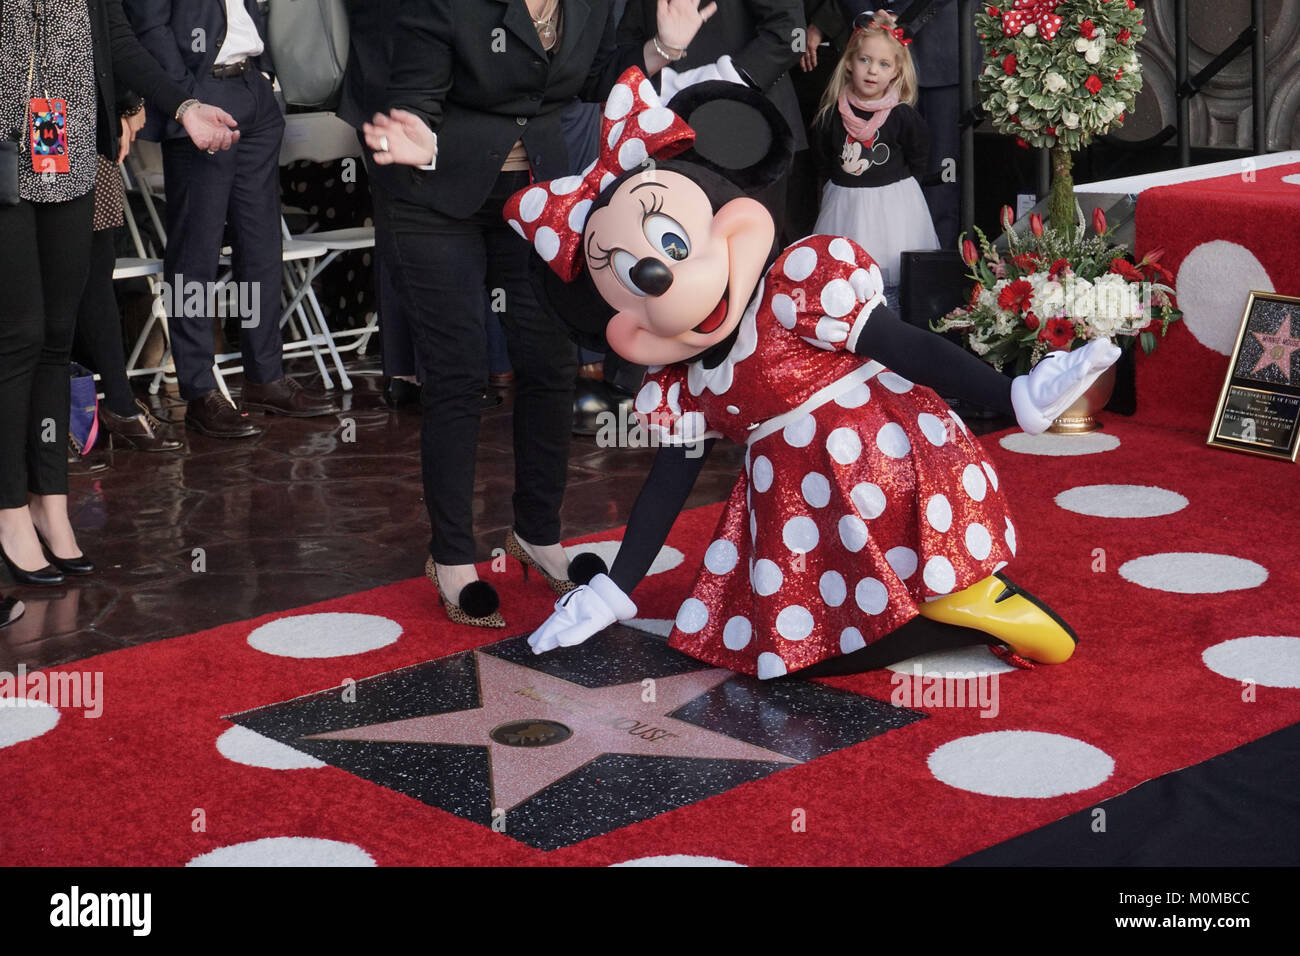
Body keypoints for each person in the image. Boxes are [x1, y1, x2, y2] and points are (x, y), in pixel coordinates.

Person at [508, 68, 1119, 678]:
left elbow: (905, 346)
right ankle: (959, 616)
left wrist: (1013, 395)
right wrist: (613, 591)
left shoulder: (796, 285)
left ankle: (959, 599)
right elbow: (667, 485)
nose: (662, 283)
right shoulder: (683, 384)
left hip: (885, 465)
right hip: (800, 514)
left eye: (672, 245)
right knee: (790, 657)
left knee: (820, 630)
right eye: (628, 285)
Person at [361, 0, 717, 629]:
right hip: (434, 195)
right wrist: (419, 139)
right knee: (459, 374)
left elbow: (592, 80)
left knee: (551, 363)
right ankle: (451, 557)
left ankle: (538, 535)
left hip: (537, 199)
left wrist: (662, 50)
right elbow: (411, 100)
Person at [0, 0, 238, 587]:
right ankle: (8, 514)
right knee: (19, 337)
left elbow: (119, 41)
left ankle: (48, 501)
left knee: (57, 336)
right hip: (4, 149)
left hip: (68, 146)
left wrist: (182, 106)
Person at [122, 0, 337, 437]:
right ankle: (198, 390)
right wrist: (184, 98)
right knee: (195, 253)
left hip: (253, 89)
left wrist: (267, 75)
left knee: (260, 246)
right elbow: (150, 27)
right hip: (198, 93)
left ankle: (265, 376)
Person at [76, 95, 183, 452]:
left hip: (83, 124)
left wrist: (126, 104)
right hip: (28, 124)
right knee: (45, 282)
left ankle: (119, 405)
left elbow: (112, 38)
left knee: (96, 278)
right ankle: (49, 422)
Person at [811, 9, 938, 305]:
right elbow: (822, 158)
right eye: (864, 60)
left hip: (893, 209)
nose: (872, 71)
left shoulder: (902, 116)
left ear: (896, 71)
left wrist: (900, 189)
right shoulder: (831, 116)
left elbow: (919, 154)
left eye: (883, 64)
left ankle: (890, 333)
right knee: (845, 277)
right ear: (849, 64)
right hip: (845, 206)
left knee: (890, 284)